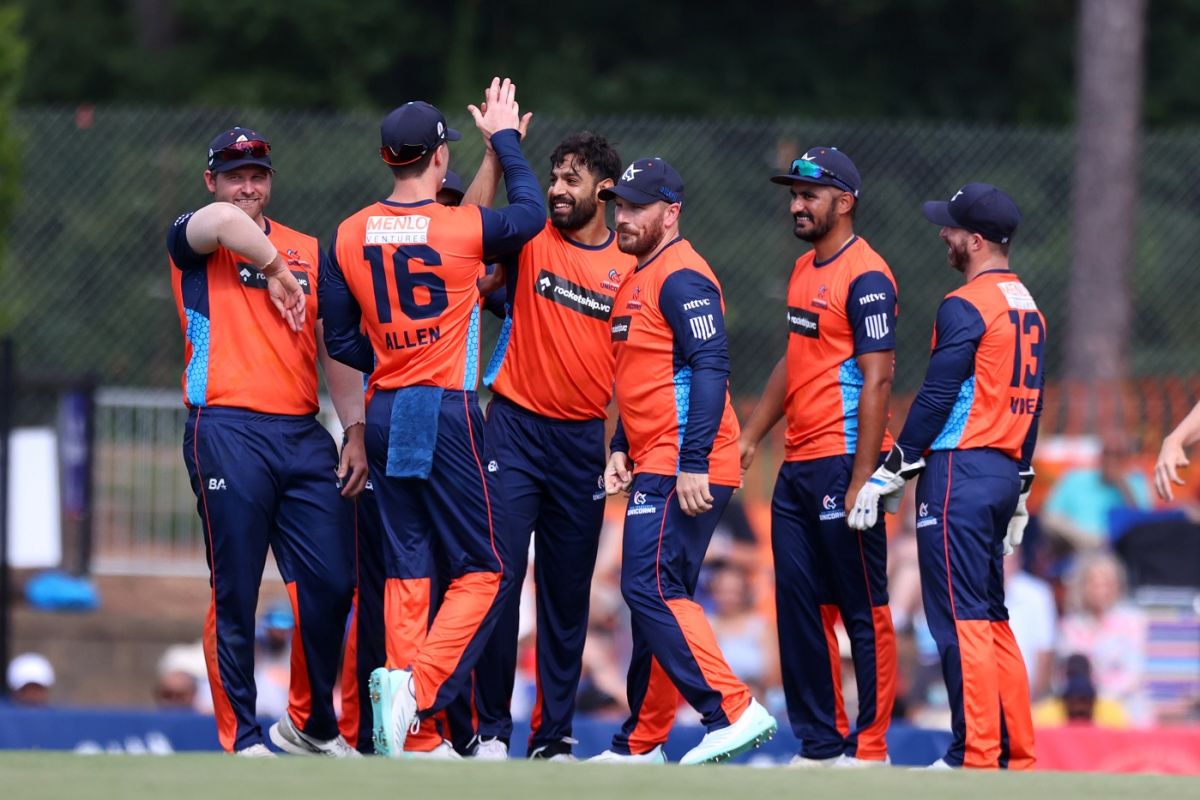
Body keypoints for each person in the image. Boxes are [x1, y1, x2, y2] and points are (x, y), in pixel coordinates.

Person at [319, 77, 546, 758]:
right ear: (441, 156)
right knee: (487, 568)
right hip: (443, 408)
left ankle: (412, 738)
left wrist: (393, 352)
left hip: (387, 406)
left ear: (387, 158)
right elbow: (530, 214)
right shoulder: (460, 227)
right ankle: (416, 691)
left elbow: (340, 340)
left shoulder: (348, 233)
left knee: (408, 566)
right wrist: (504, 140)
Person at [167, 127, 366, 758]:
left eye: (258, 175)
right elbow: (227, 222)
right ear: (211, 182)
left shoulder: (310, 249)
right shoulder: (198, 235)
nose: (247, 187)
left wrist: (354, 429)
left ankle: (310, 724)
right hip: (225, 427)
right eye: (234, 176)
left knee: (333, 582)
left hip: (302, 433)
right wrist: (275, 269)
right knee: (236, 588)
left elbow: (334, 347)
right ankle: (243, 739)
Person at [848, 182, 1042, 770]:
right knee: (991, 614)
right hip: (1001, 470)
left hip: (960, 468)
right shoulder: (1027, 304)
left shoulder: (966, 303)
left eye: (952, 227)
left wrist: (894, 467)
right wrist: (1022, 482)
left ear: (976, 241)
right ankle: (1015, 754)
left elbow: (937, 395)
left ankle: (974, 754)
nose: (944, 234)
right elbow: (1030, 401)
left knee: (961, 618)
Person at [591, 157, 777, 765]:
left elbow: (711, 365)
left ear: (670, 213)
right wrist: (621, 446)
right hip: (658, 457)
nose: (623, 217)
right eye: (619, 205)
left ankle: (732, 710)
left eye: (636, 207)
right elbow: (643, 374)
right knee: (658, 597)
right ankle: (640, 743)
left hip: (685, 461)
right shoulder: (638, 276)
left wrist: (693, 459)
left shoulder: (682, 276)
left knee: (649, 586)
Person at [463, 131, 633, 761]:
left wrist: (622, 445)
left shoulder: (630, 266)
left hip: (582, 444)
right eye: (554, 177)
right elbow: (466, 231)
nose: (557, 190)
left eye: (570, 180)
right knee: (499, 580)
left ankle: (552, 737)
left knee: (566, 596)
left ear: (604, 191)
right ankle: (491, 730)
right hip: (512, 430)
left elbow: (638, 371)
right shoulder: (530, 237)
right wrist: (497, 150)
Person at [739, 146, 898, 768]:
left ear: (845, 201)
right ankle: (820, 745)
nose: (796, 205)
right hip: (799, 464)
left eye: (809, 195)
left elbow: (878, 379)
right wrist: (753, 435)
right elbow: (794, 358)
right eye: (794, 195)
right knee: (800, 607)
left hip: (844, 461)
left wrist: (863, 479)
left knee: (863, 606)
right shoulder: (804, 268)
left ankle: (872, 747)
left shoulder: (868, 275)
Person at [1057, 551, 1149, 723]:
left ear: (1117, 586)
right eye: (1093, 583)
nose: (1100, 590)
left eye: (1106, 584)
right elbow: (1064, 675)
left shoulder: (1133, 620)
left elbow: (1134, 674)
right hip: (1082, 710)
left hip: (1125, 709)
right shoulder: (1071, 625)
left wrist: (1103, 699)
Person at [1041, 432, 1152, 551]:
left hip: (1114, 551)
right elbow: (1049, 515)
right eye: (1107, 453)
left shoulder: (1136, 484)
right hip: (1074, 547)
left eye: (1117, 455)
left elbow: (1142, 525)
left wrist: (1122, 484)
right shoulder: (1075, 478)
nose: (1111, 460)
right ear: (1100, 456)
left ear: (1127, 458)